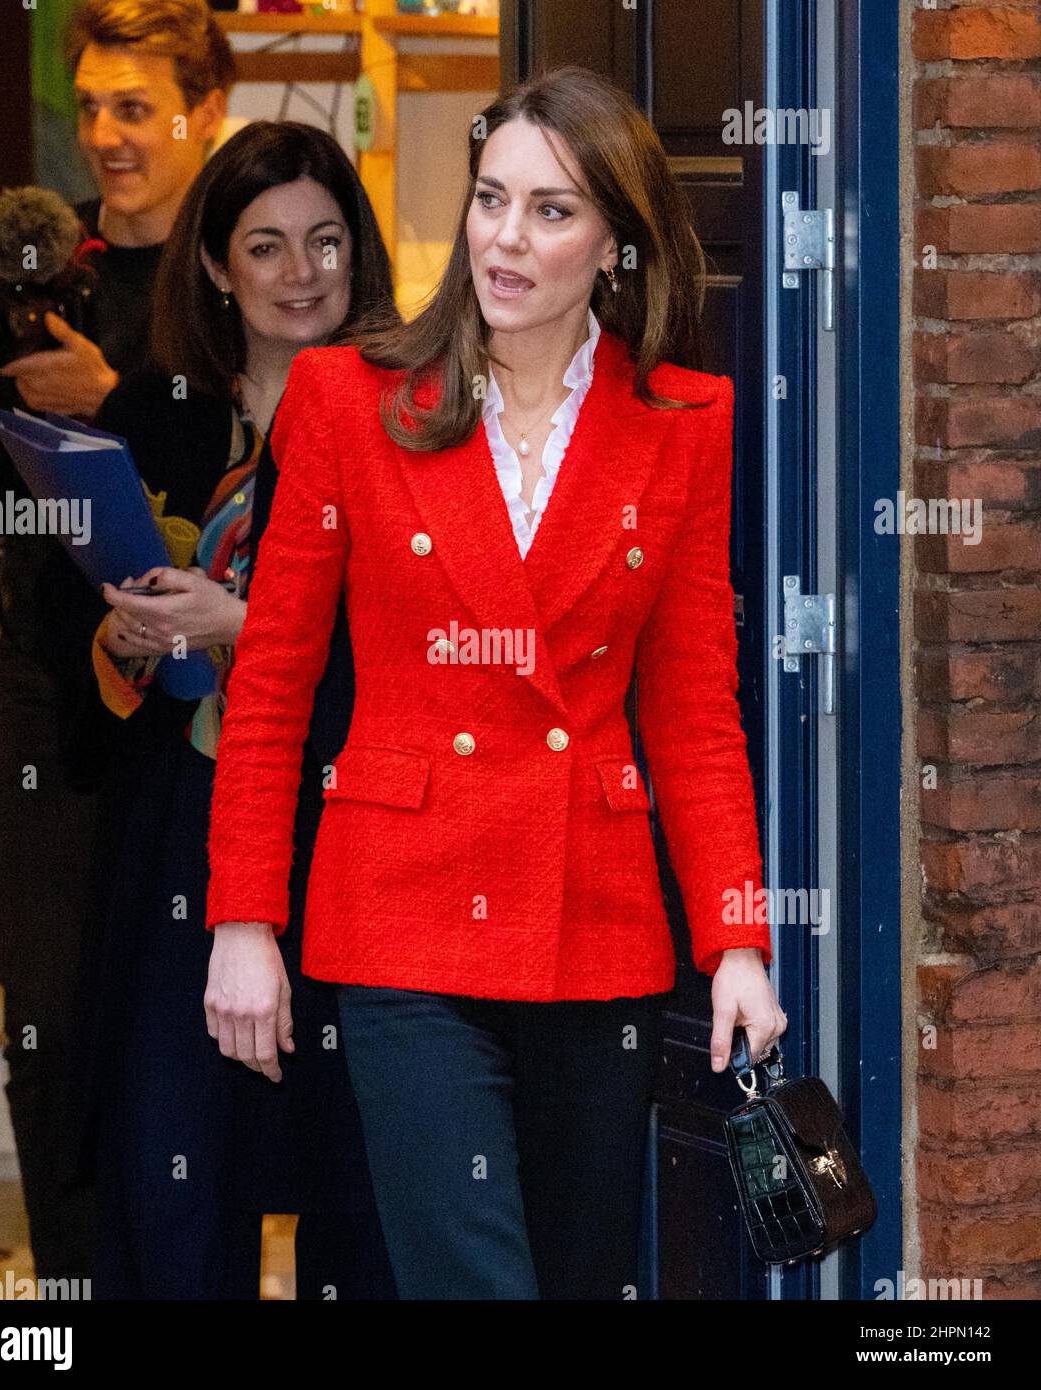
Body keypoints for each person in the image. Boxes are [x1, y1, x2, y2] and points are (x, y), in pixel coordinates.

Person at [201, 65, 789, 1301]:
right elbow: (271, 686)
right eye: (489, 199)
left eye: (552, 211)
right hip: (402, 926)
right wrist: (245, 919)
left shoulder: (682, 421)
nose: (506, 239)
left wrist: (735, 935)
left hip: (597, 928)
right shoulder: (347, 401)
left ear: (617, 244)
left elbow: (691, 706)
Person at [0, 0, 233, 1282]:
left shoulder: (239, 277)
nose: (106, 137)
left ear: (202, 114)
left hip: (195, 718)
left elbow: (250, 468)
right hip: (52, 702)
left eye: (135, 109)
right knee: (48, 1040)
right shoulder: (49, 277)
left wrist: (111, 402)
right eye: (93, 106)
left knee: (182, 1055)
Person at [83, 120, 399, 1300]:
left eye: (325, 241)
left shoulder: (414, 415)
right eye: (266, 246)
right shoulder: (152, 409)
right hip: (183, 827)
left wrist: (246, 627)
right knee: (175, 1162)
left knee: (353, 1170)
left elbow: (421, 645)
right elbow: (88, 654)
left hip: (353, 833)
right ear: (216, 265)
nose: (302, 271)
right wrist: (123, 636)